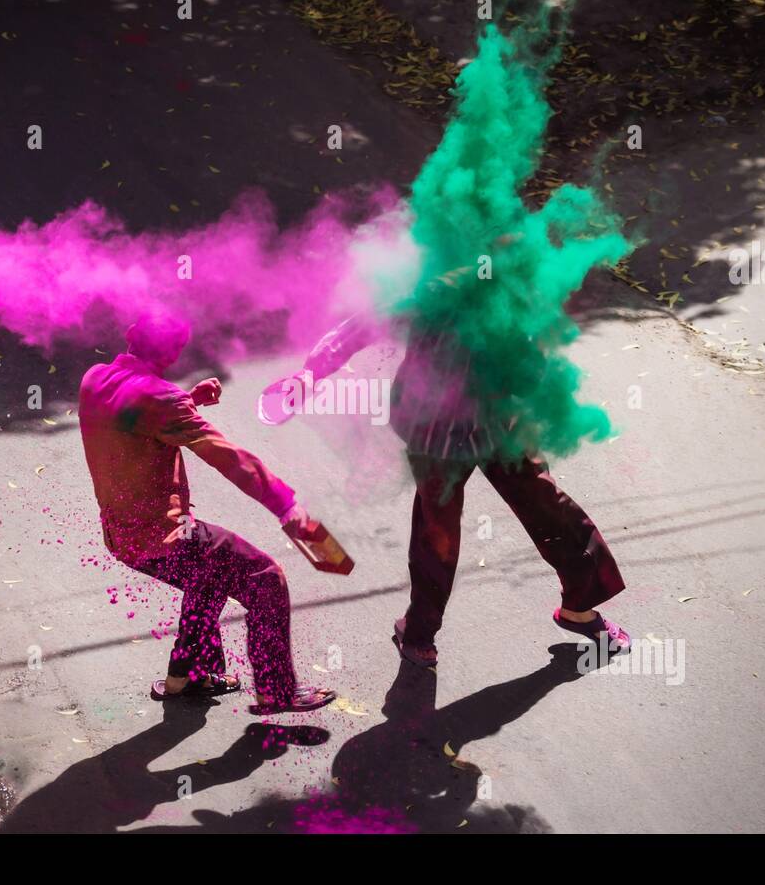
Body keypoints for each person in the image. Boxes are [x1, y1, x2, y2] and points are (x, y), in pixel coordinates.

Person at [269, 303, 630, 668]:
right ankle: (418, 632)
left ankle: (579, 608)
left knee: (545, 501)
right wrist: (311, 373)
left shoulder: (506, 281)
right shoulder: (432, 287)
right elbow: (363, 324)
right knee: (438, 532)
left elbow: (531, 362)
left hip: (499, 421)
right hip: (436, 433)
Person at [79, 311, 336, 713]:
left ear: (130, 334)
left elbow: (135, 418)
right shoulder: (162, 402)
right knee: (264, 577)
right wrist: (287, 506)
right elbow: (230, 459)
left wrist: (188, 401)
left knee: (210, 576)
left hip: (121, 536)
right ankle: (276, 692)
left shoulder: (94, 379)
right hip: (165, 536)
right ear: (175, 353)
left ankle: (187, 678)